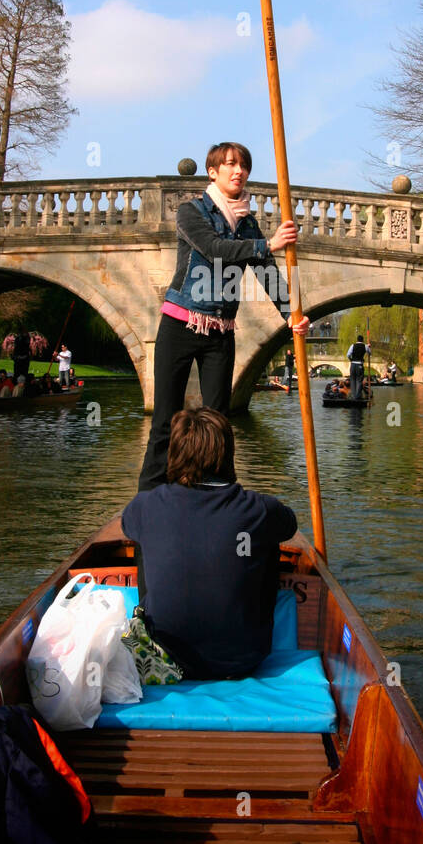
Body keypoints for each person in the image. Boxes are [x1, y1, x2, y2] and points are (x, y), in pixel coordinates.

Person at [137, 141, 309, 491]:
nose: (239, 171)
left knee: (218, 423)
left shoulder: (248, 226)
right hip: (180, 324)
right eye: (230, 164)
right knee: (165, 422)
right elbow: (214, 249)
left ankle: (220, 495)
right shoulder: (191, 212)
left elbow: (267, 273)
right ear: (213, 172)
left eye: (244, 165)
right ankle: (149, 501)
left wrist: (292, 315)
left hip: (220, 333)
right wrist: (269, 244)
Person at [123, 408, 296, 679]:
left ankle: (149, 610)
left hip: (164, 653)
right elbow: (289, 524)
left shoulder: (147, 505)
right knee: (267, 539)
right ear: (228, 453)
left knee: (142, 538)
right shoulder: (258, 509)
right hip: (242, 658)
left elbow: (127, 524)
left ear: (175, 453)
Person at [346, 334, 370, 401]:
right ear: (362, 340)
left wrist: (351, 359)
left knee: (352, 380)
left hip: (353, 364)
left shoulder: (352, 345)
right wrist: (369, 347)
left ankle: (353, 396)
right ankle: (357, 396)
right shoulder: (365, 346)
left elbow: (348, 355)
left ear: (357, 339)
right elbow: (369, 353)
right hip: (360, 365)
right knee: (359, 380)